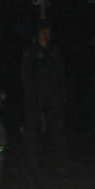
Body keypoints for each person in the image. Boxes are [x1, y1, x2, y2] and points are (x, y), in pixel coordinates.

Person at [22, 20, 68, 177]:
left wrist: (61, 96)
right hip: (36, 96)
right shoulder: (31, 51)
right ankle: (32, 161)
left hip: (53, 97)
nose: (46, 35)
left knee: (56, 130)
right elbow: (26, 75)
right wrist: (30, 95)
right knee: (33, 130)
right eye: (43, 32)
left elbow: (61, 74)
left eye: (48, 31)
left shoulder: (54, 50)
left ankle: (57, 162)